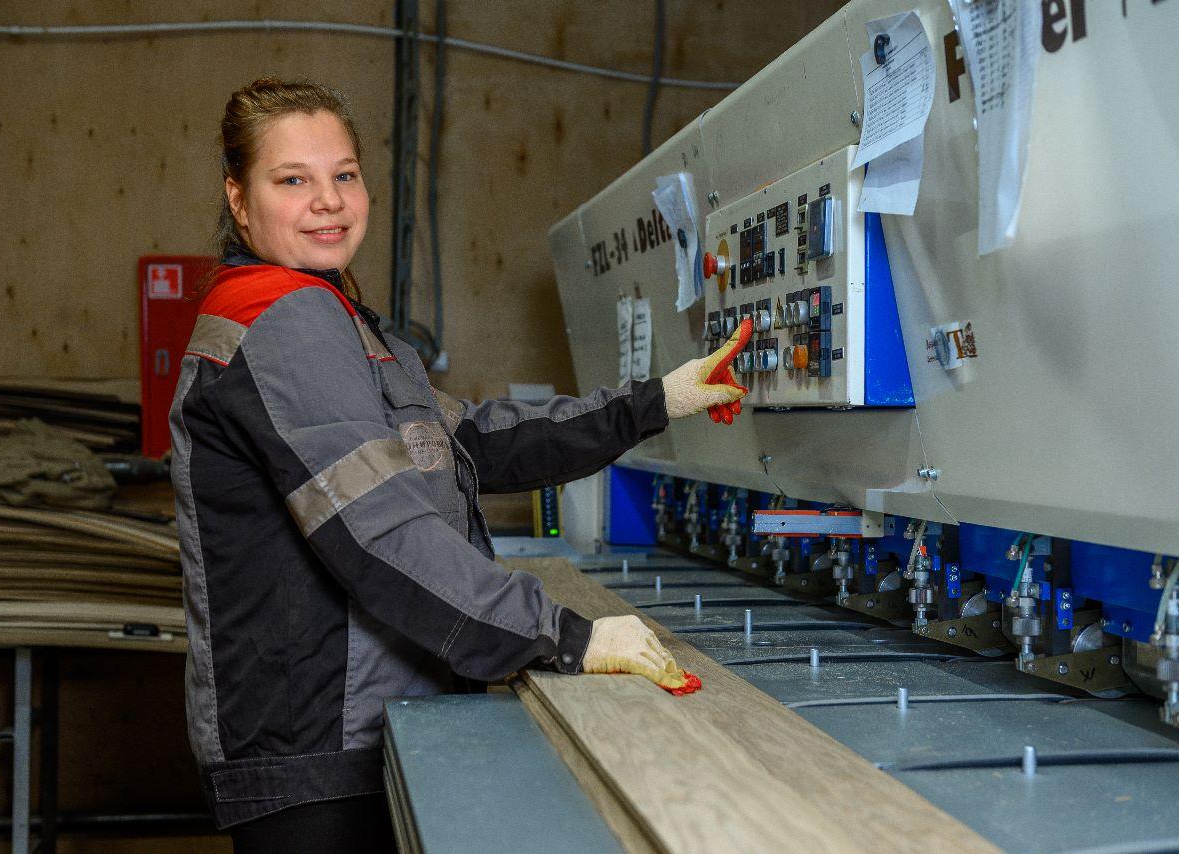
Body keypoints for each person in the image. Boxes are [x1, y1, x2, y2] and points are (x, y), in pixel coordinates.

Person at [169, 77, 750, 853]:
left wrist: (653, 401)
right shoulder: (285, 319)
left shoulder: (338, 321)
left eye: (344, 175)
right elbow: (384, 533)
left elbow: (470, 440)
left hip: (331, 728)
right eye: (293, 180)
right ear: (240, 201)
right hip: (316, 740)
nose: (329, 201)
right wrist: (565, 637)